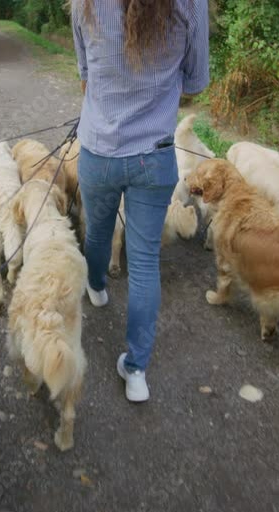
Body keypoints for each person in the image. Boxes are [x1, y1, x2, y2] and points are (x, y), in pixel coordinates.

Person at [70, 0, 209, 402]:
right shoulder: (190, 3)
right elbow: (196, 83)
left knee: (97, 230)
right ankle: (136, 372)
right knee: (145, 260)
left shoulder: (86, 4)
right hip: (154, 154)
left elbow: (86, 77)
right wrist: (157, 91)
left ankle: (96, 287)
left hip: (98, 151)